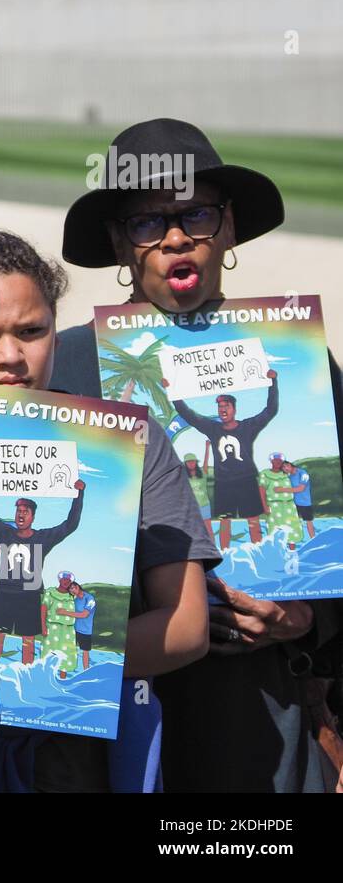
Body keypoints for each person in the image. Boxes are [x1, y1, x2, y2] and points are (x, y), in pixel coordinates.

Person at [52, 116, 343, 792]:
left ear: (231, 229)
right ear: (121, 244)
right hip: (107, 717)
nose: (177, 236)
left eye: (197, 215)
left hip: (260, 714)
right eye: (150, 222)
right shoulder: (68, 366)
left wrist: (308, 618)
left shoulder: (300, 366)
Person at [0, 227, 217, 793]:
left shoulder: (131, 442)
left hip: (79, 766)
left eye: (32, 331)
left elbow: (186, 627)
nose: (11, 357)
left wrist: (58, 664)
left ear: (57, 329)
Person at [0, 481, 86, 665]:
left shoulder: (43, 538)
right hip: (4, 596)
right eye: (18, 511)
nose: (21, 515)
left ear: (32, 516)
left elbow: (70, 525)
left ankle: (27, 678)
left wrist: (79, 494)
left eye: (25, 512)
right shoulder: (4, 533)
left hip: (29, 597)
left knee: (28, 642)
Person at [171, 379, 279, 548]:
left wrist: (273, 382)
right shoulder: (212, 428)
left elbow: (271, 410)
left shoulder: (248, 427)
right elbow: (189, 415)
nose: (222, 410)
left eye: (226, 406)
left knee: (253, 521)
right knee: (224, 522)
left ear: (234, 409)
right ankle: (226, 556)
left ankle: (259, 553)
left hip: (246, 480)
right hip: (223, 483)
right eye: (220, 407)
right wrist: (172, 391)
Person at [258, 452, 303, 549]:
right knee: (275, 530)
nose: (278, 462)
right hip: (274, 506)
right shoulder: (265, 473)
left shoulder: (286, 473)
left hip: (289, 506)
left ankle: (292, 553)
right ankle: (278, 554)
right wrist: (265, 506)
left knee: (292, 529)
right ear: (271, 461)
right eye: (275, 460)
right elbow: (261, 490)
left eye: (280, 460)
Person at [41, 572, 78, 678]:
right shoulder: (50, 592)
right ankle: (46, 680)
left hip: (68, 631)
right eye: (64, 579)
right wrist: (43, 627)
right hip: (51, 629)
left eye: (68, 580)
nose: (66, 582)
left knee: (65, 657)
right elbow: (43, 609)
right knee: (49, 655)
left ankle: (62, 681)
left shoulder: (72, 596)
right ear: (59, 580)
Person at [279, 457, 317, 541]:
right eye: (283, 468)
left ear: (290, 464)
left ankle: (313, 541)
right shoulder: (289, 477)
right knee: (291, 522)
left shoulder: (303, 474)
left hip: (305, 504)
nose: (286, 469)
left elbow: (301, 489)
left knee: (309, 523)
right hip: (294, 504)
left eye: (286, 466)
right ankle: (292, 541)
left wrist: (282, 490)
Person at [68, 582, 97, 672]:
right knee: (69, 650)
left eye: (73, 588)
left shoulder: (90, 599)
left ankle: (86, 673)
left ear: (77, 586)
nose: (72, 591)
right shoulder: (75, 600)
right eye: (70, 590)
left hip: (85, 631)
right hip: (74, 629)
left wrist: (65, 612)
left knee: (85, 653)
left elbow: (84, 614)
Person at [182, 449, 212, 534]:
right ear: (185, 464)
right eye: (188, 462)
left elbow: (206, 461)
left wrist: (207, 447)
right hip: (191, 506)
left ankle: (212, 546)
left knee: (208, 529)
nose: (191, 463)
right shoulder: (183, 476)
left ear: (196, 462)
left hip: (204, 505)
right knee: (191, 529)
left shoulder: (203, 473)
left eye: (193, 461)